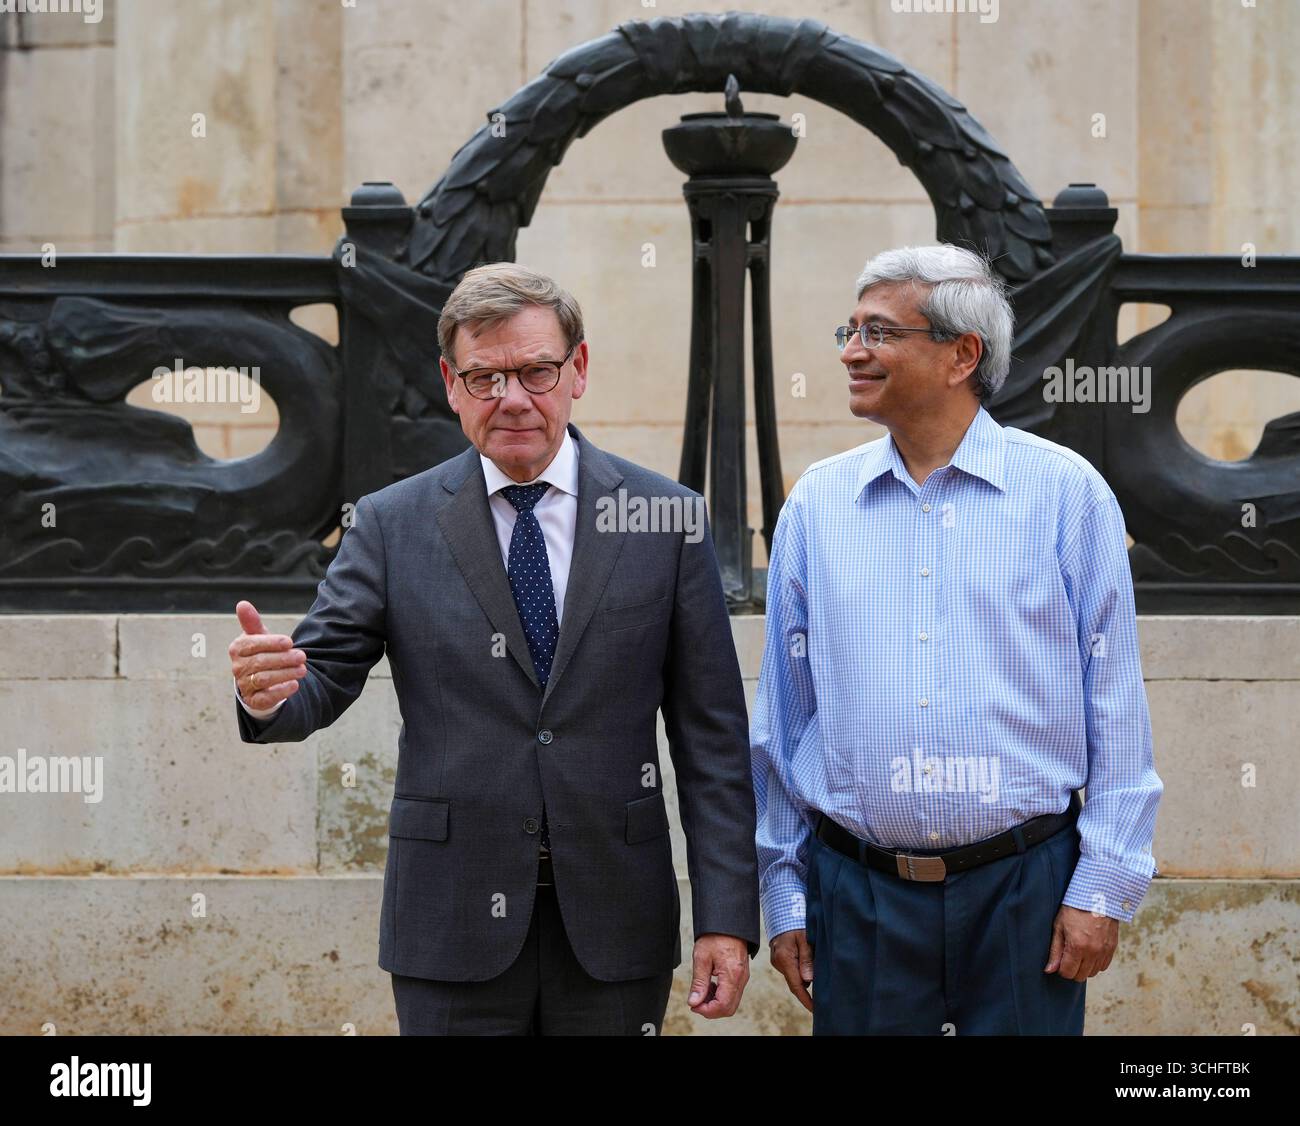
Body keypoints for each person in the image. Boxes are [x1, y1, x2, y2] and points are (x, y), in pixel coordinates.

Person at [230, 263, 759, 1035]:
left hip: (615, 923)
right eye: (485, 377)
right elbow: (318, 682)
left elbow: (713, 739)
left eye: (536, 371)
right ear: (451, 383)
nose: (512, 397)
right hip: (450, 924)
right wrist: (266, 693)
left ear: (577, 369)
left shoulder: (664, 519)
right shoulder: (391, 523)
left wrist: (726, 918)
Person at [752, 244, 1163, 1035]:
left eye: (878, 332)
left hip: (1027, 891)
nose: (851, 351)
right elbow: (784, 716)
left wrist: (1102, 886)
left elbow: (1113, 700)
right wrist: (785, 890)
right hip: (858, 893)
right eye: (850, 328)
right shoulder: (817, 505)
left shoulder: (1065, 494)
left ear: (960, 354)